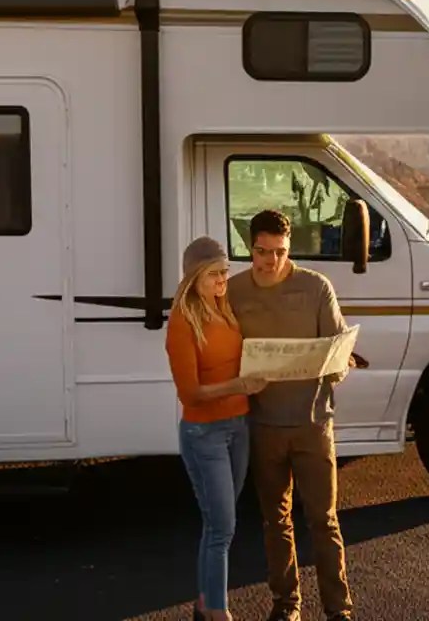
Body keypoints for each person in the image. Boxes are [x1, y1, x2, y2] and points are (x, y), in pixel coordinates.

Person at [227, 209, 355, 621]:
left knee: (323, 519)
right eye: (263, 252)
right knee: (275, 520)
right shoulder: (233, 292)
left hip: (313, 423)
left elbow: (339, 352)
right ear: (251, 248)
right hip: (263, 424)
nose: (272, 261)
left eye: (281, 252)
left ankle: (339, 610)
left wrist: (339, 365)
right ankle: (287, 605)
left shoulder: (316, 287)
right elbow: (223, 354)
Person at [165, 236, 269, 621]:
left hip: (238, 425)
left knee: (219, 523)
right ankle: (217, 611)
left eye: (225, 271)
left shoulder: (225, 309)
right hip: (204, 433)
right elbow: (190, 393)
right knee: (223, 526)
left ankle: (205, 601)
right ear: (194, 277)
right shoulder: (182, 321)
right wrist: (237, 386)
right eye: (213, 274)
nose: (223, 280)